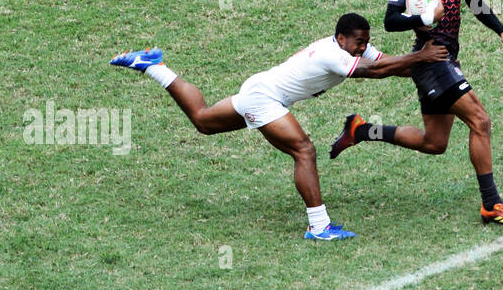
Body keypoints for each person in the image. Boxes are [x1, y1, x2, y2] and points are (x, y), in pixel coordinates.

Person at [110, 13, 447, 239]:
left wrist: (434, 66)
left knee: (203, 120)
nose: (364, 47)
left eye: (365, 42)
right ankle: (319, 226)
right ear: (341, 38)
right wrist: (420, 57)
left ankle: (153, 66)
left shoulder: (352, 46)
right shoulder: (332, 54)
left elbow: (387, 64)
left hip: (261, 89)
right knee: (304, 149)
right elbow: (372, 72)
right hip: (264, 99)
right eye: (358, 42)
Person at [329, 0, 503, 225]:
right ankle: (491, 205)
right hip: (430, 60)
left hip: (446, 61)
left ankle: (363, 130)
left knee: (434, 143)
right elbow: (391, 19)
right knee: (480, 120)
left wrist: (502, 31)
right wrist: (423, 17)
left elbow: (474, 1)